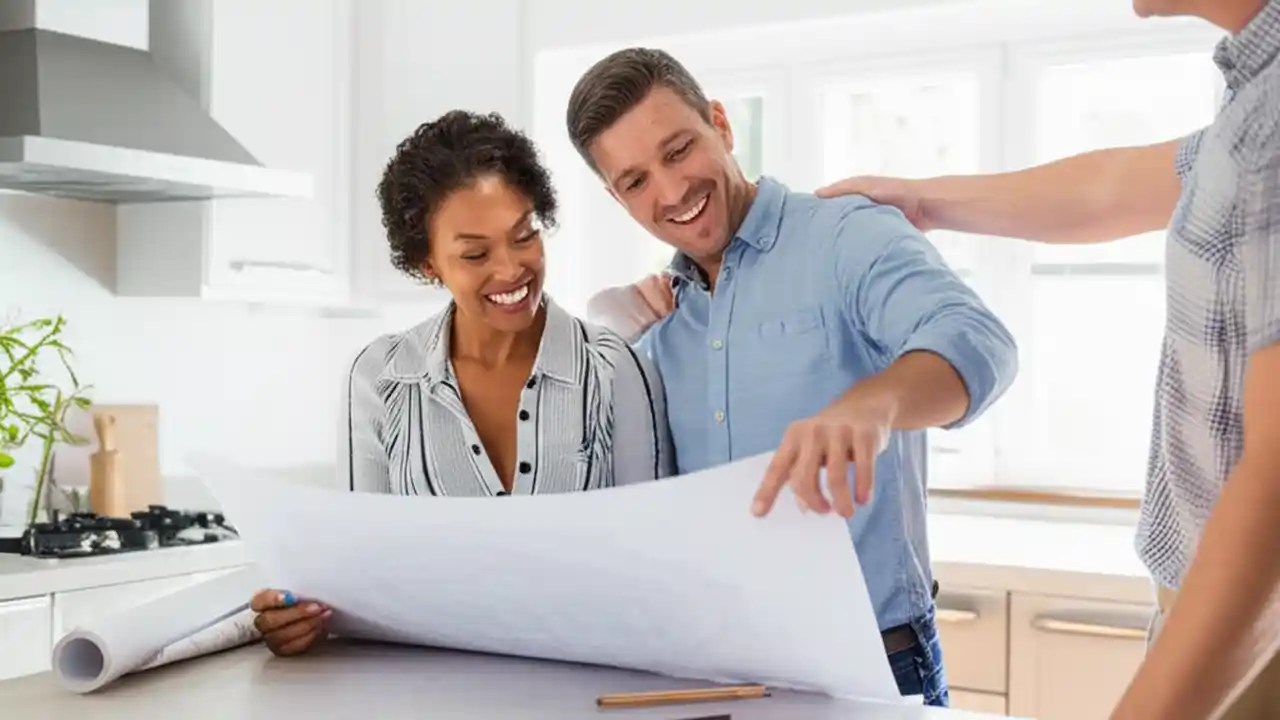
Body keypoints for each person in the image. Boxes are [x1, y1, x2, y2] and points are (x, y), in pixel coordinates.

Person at [813, 2, 1280, 717]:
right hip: (1212, 595)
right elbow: (1117, 188)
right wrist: (924, 198)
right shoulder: (1255, 97)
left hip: (1251, 610)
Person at [570, 48, 1019, 706]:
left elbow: (979, 342)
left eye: (678, 150)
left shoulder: (845, 235)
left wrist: (873, 406)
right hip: (718, 667)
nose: (671, 192)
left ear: (721, 124)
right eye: (636, 181)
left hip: (871, 663)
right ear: (616, 197)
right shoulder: (661, 323)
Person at [250, 110, 675, 658]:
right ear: (428, 263)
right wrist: (306, 617)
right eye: (475, 254)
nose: (511, 270)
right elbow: (362, 572)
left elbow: (654, 566)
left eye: (525, 236)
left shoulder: (618, 369)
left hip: (586, 686)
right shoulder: (380, 379)